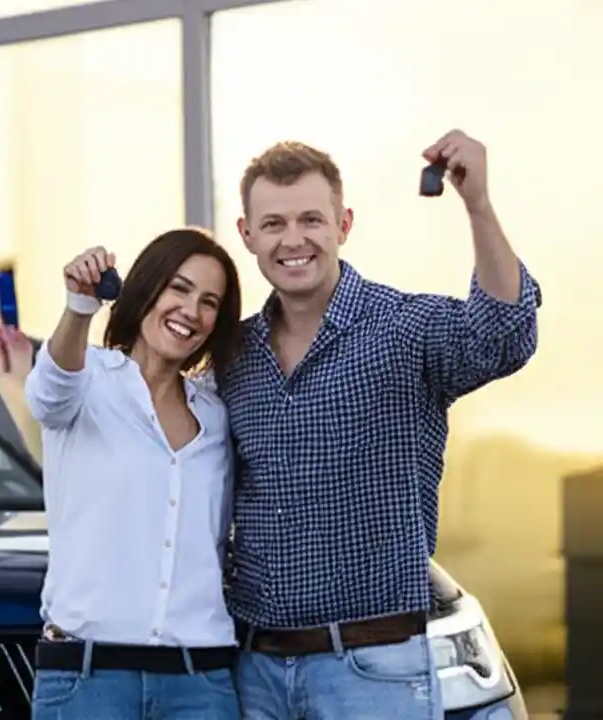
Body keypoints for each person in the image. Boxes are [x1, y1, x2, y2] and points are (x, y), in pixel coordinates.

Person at [220, 131, 540, 719]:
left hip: (374, 674)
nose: (293, 240)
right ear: (247, 235)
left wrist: (478, 205)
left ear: (343, 224)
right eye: (273, 224)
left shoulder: (403, 329)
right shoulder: (233, 357)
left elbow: (503, 334)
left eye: (311, 220)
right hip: (256, 677)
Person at [21, 228, 246, 719]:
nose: (191, 311)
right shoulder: (88, 379)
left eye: (209, 302)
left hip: (200, 684)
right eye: (179, 288)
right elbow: (47, 392)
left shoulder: (218, 414)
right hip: (88, 682)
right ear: (147, 287)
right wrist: (79, 307)